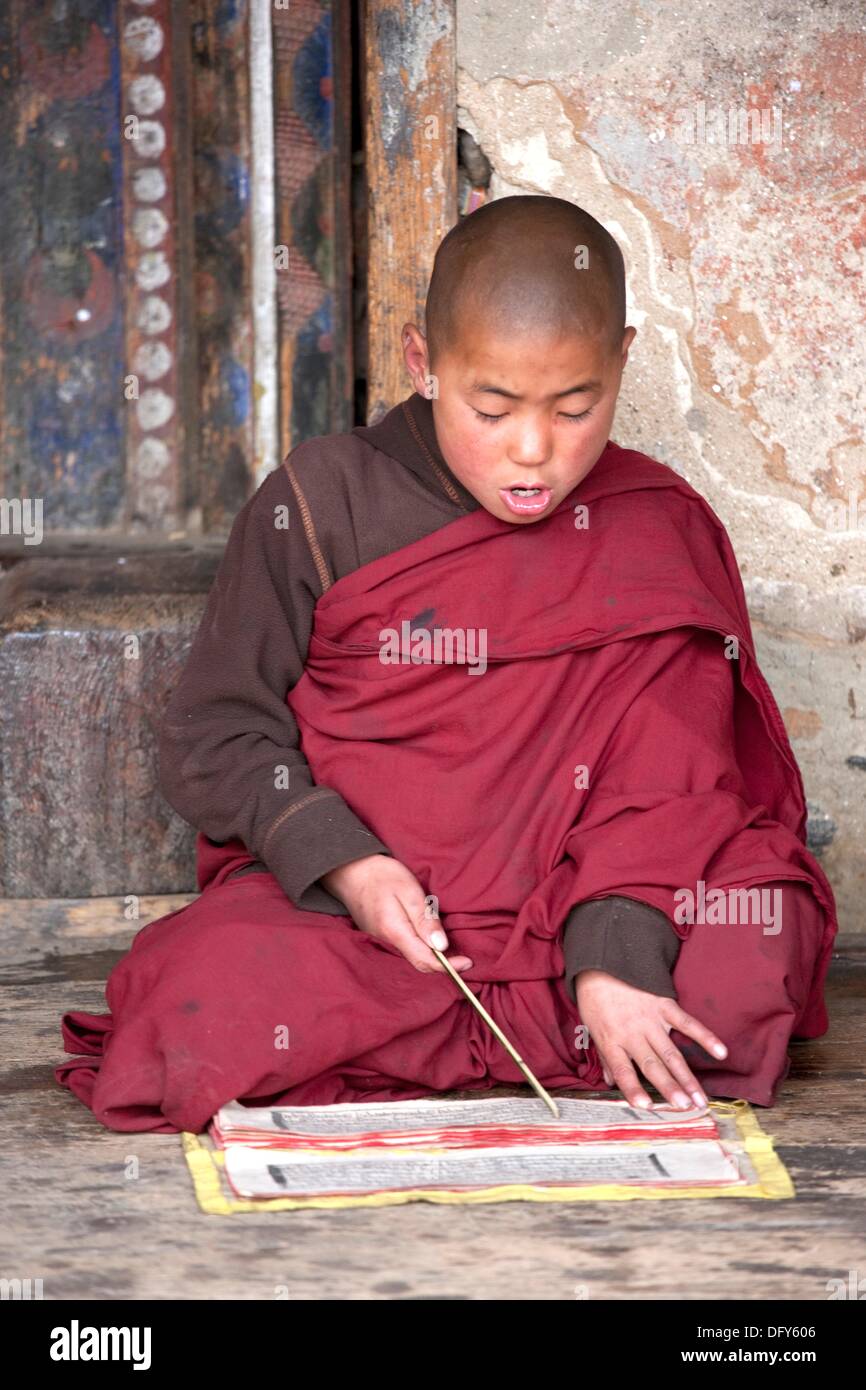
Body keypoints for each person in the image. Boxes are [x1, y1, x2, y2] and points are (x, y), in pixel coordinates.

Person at [56, 195, 836, 1133]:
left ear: (623, 363)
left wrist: (614, 954)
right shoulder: (320, 501)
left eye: (577, 407)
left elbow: (677, 781)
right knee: (200, 995)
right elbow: (215, 732)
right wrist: (345, 863)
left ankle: (579, 1015)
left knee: (755, 945)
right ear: (423, 363)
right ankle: (548, 1038)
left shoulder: (652, 527)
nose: (535, 451)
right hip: (382, 922)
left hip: (598, 893)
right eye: (493, 408)